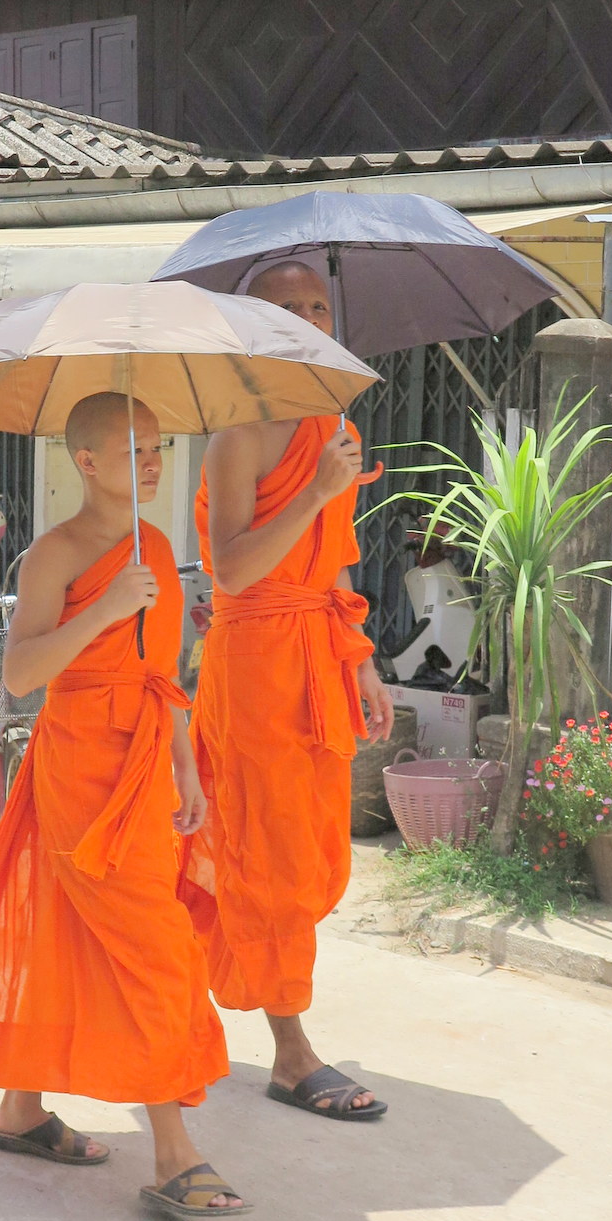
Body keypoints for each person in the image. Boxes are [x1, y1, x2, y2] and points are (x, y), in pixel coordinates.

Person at [0, 391, 249, 1221]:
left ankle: (19, 1110)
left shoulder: (159, 547)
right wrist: (104, 609)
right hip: (78, 767)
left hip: (144, 764)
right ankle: (175, 1153)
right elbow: (21, 675)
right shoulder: (53, 557)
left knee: (63, 933)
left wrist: (186, 771)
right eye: (131, 450)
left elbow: (164, 678)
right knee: (156, 949)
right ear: (87, 462)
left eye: (157, 447)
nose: (149, 462)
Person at [181, 257, 396, 1123]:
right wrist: (315, 488)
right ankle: (291, 1052)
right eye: (286, 306)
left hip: (316, 651)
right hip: (257, 661)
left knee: (302, 851)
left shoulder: (330, 421)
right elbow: (230, 570)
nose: (308, 317)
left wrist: (362, 658)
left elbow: (335, 560)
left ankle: (164, 999)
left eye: (317, 304)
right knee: (263, 856)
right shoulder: (241, 432)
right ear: (249, 323)